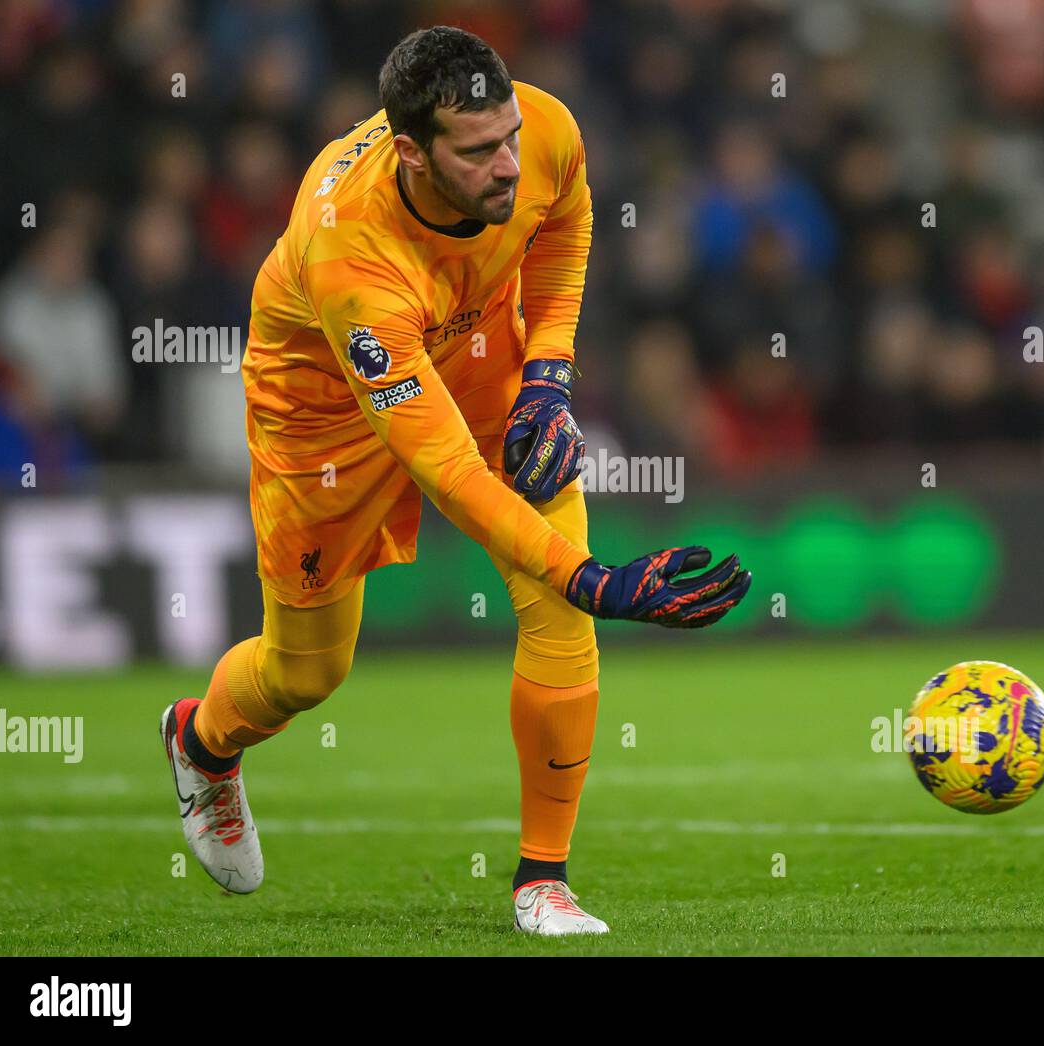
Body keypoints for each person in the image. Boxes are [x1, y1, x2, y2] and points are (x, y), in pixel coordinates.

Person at [159, 26, 750, 937]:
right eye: (478, 152)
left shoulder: (543, 132)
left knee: (559, 617)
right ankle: (202, 743)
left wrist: (549, 372)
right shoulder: (349, 257)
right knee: (308, 672)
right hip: (321, 410)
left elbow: (567, 221)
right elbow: (449, 473)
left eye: (509, 136)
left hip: (478, 355)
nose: (508, 164)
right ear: (411, 154)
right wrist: (595, 578)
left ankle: (542, 880)